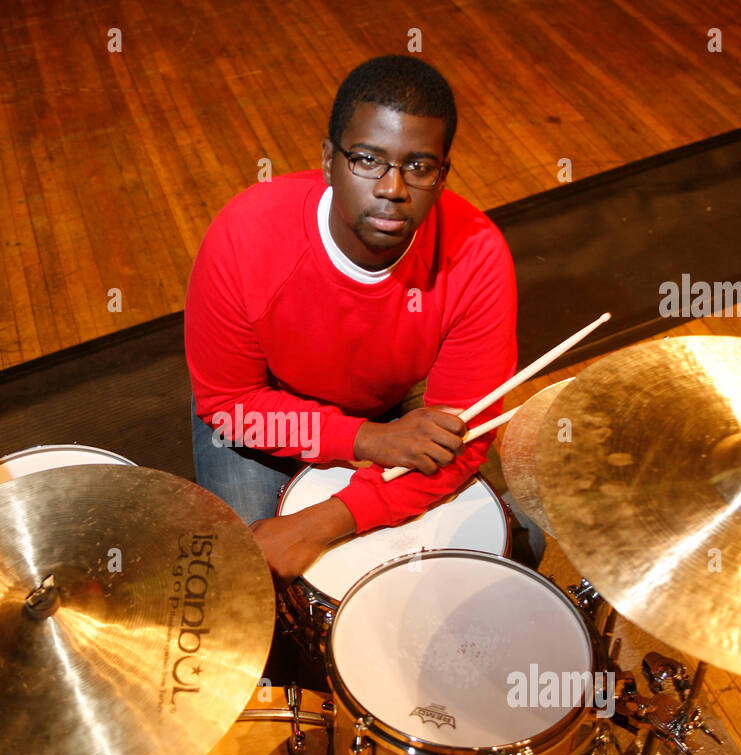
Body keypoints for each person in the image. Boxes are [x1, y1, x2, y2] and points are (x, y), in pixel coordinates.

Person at [185, 54, 543, 585]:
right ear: (329, 159)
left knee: (502, 552)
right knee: (245, 583)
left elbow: (461, 437)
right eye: (368, 160)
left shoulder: (478, 255)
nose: (393, 188)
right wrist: (367, 439)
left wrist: (321, 522)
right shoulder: (244, 235)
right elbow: (229, 404)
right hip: (261, 406)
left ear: (442, 176)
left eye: (418, 166)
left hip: (391, 402)